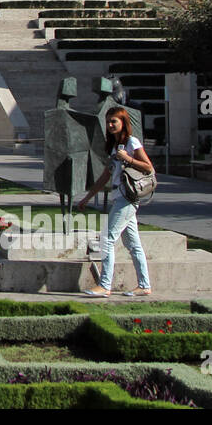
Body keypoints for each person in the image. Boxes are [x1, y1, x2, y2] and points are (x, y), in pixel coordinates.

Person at [78, 108, 153, 297]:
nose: (110, 125)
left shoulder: (131, 143)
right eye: (109, 122)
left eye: (114, 122)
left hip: (127, 198)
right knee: (133, 244)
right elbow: (105, 176)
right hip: (119, 197)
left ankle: (104, 285)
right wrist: (87, 198)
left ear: (123, 123)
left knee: (107, 239)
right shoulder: (115, 147)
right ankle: (144, 285)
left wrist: (127, 158)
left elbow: (148, 167)